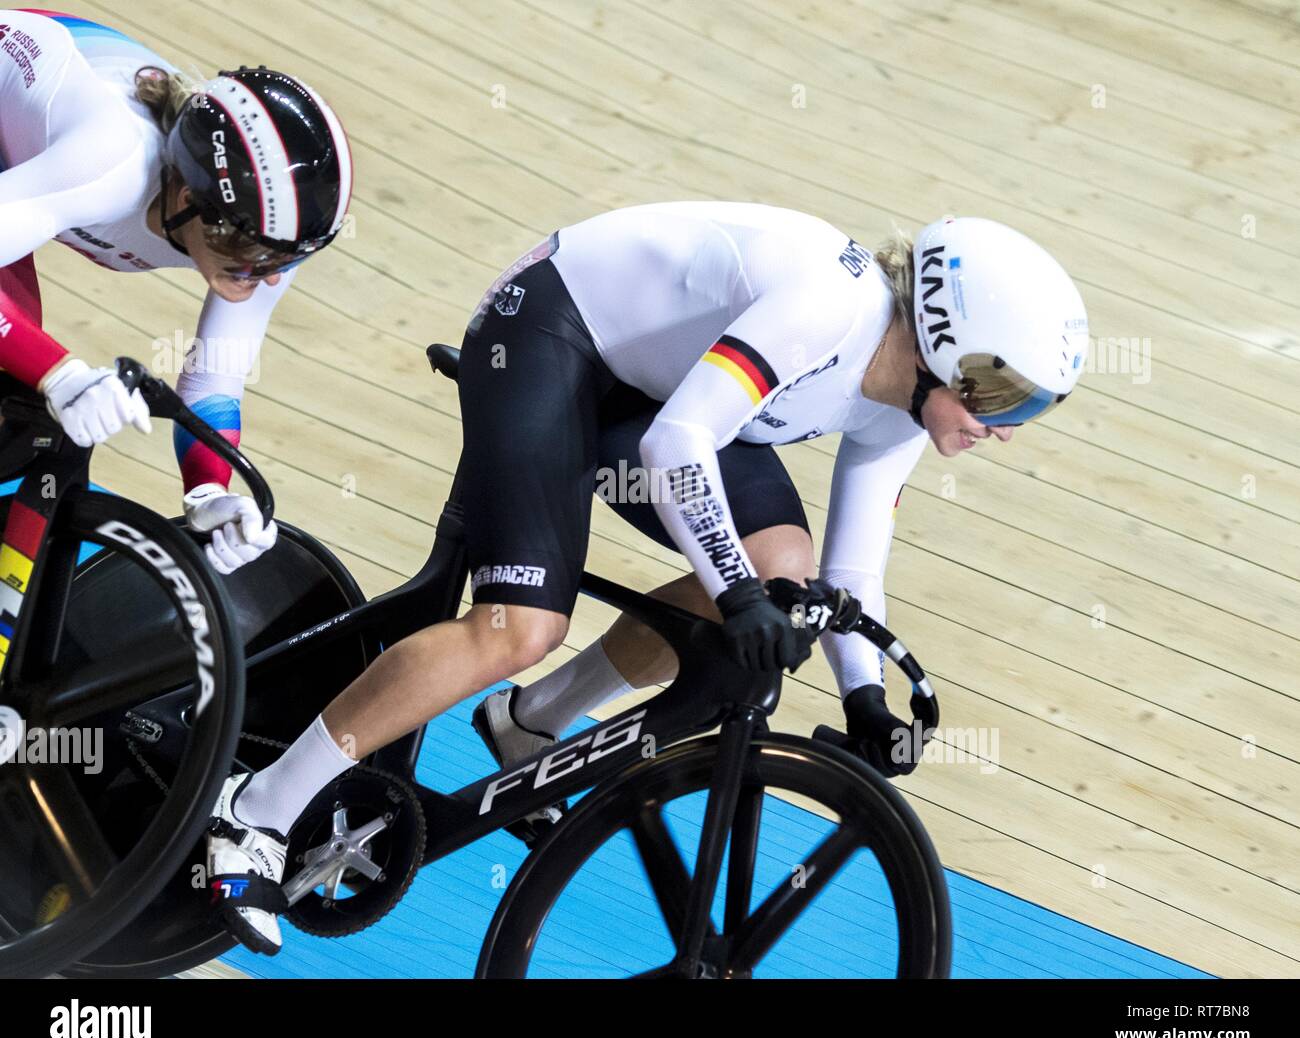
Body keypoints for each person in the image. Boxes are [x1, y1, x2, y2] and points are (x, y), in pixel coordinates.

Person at [206, 202, 1089, 956]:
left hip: (652, 383)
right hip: (551, 334)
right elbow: (677, 448)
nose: (1005, 431)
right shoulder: (832, 307)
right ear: (945, 343)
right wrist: (736, 594)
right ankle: (255, 810)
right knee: (520, 625)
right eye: (1004, 401)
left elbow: (850, 569)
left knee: (787, 576)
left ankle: (530, 721)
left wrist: (864, 699)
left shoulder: (901, 403)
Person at [0, 9, 351, 573]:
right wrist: (58, 373)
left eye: (288, 260)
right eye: (250, 254)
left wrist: (207, 492)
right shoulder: (110, 164)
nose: (267, 277)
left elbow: (215, 375)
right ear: (186, 194)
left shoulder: (271, 234)